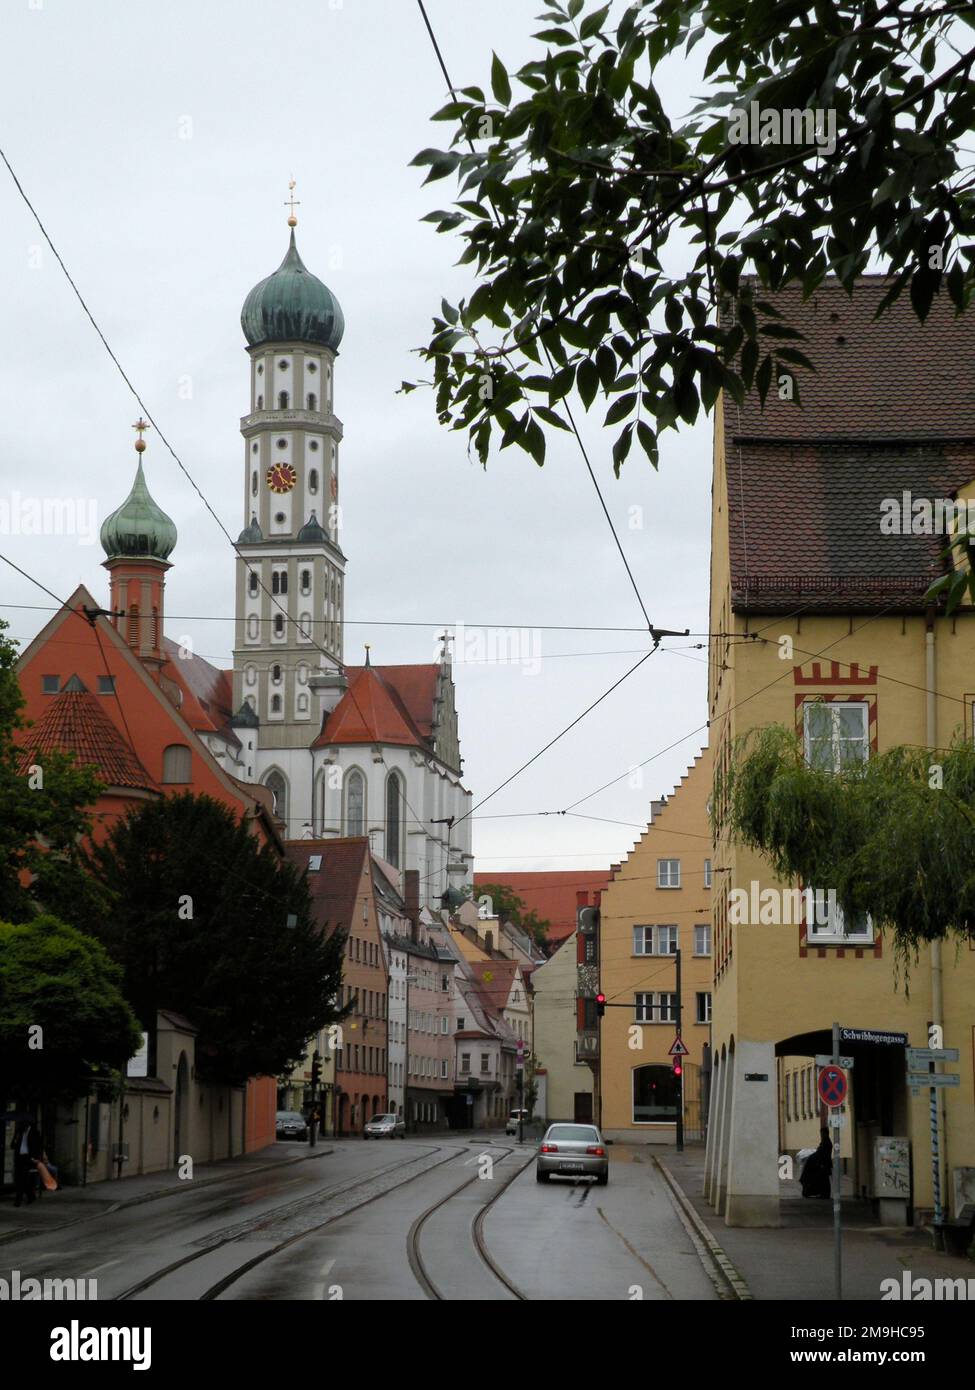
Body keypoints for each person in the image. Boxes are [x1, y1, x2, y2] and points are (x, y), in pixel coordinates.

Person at [11, 1120, 43, 1208]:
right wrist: (15, 1138)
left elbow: (38, 1146)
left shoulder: (34, 1132)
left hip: (28, 1158)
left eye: (23, 1124)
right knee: (19, 1178)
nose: (21, 1127)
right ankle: (31, 1195)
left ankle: (18, 1200)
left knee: (23, 1178)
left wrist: (34, 1158)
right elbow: (12, 1146)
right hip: (19, 1159)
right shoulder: (19, 1133)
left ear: (27, 1124)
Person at [800, 1126, 833, 1199]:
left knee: (824, 1180)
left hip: (823, 1164)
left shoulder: (826, 1142)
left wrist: (820, 1163)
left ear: (825, 1133)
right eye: (821, 1133)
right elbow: (820, 1152)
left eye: (822, 1133)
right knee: (823, 1180)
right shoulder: (824, 1141)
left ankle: (825, 1194)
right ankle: (824, 1193)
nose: (821, 1135)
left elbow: (823, 1154)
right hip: (822, 1163)